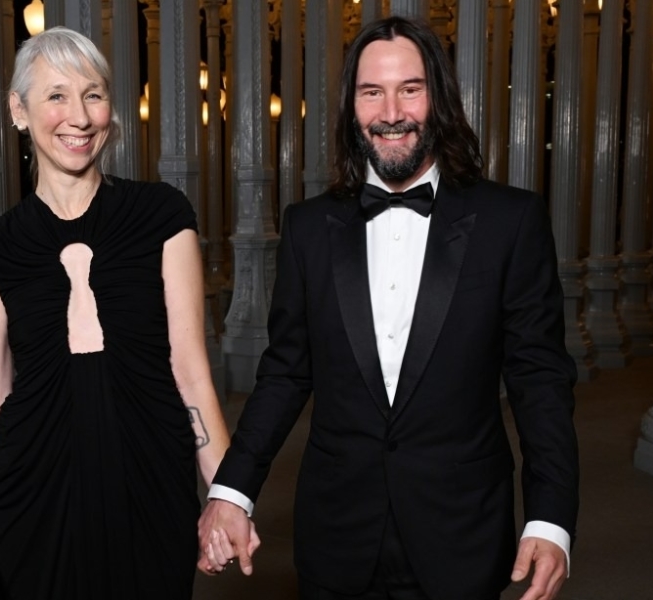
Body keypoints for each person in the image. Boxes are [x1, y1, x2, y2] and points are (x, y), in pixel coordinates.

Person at [197, 15, 579, 600]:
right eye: (372, 91)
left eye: (411, 89)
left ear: (440, 99)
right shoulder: (307, 228)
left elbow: (540, 381)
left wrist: (550, 519)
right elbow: (285, 372)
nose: (391, 111)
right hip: (337, 533)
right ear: (352, 107)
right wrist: (231, 492)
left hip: (463, 530)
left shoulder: (512, 222)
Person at [0, 26, 231, 600]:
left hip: (149, 483)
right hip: (32, 491)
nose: (80, 116)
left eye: (93, 94)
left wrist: (228, 495)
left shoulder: (162, 216)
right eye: (57, 96)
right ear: (18, 111)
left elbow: (192, 372)